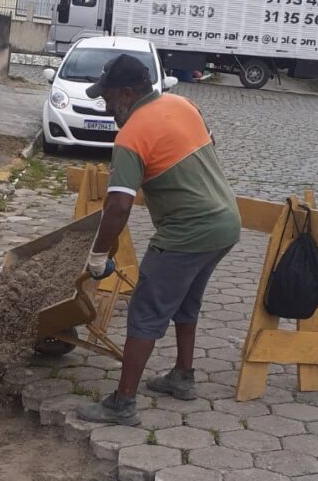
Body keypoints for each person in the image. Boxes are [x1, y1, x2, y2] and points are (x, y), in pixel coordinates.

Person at [77, 55, 241, 426]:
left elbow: (118, 205)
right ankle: (183, 376)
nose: (106, 107)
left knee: (145, 312)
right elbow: (208, 146)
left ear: (127, 93)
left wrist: (98, 254)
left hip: (188, 230)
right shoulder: (183, 104)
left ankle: (122, 403)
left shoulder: (131, 135)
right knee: (186, 301)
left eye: (108, 98)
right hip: (226, 222)